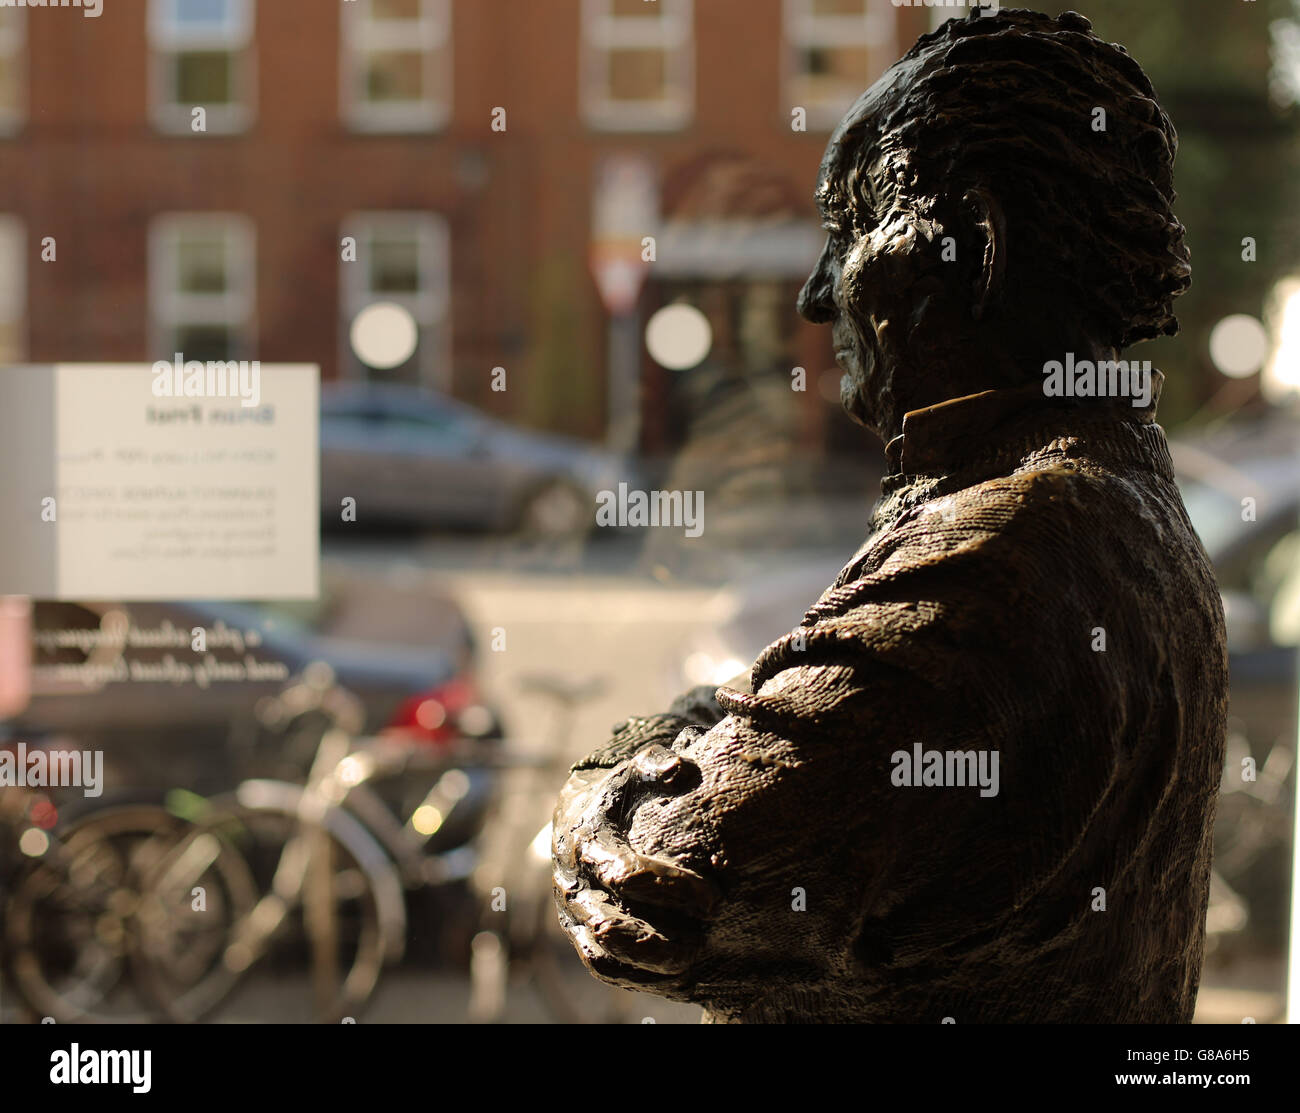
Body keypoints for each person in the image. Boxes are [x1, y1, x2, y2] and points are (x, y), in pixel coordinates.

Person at [552, 8, 1228, 1023]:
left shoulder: (1007, 558)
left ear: (978, 246)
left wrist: (593, 788)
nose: (819, 298)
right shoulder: (1126, 493)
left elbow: (669, 872)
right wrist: (710, 726)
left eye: (848, 232)